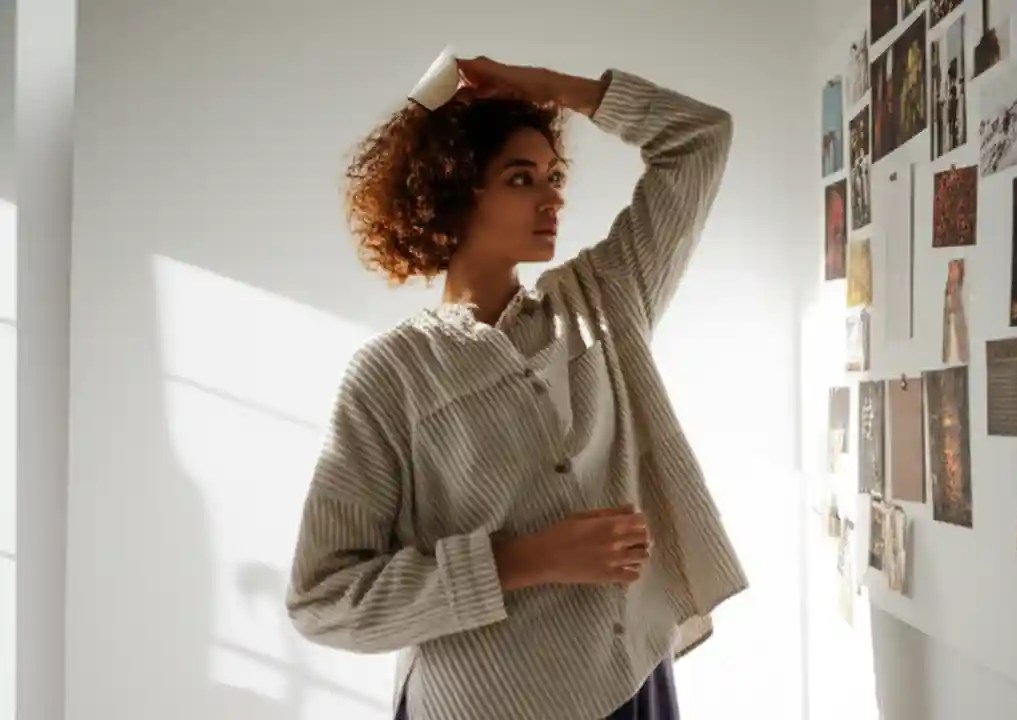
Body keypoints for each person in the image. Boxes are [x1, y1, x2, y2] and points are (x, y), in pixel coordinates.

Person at [284, 54, 748, 720]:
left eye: (555, 176)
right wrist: (522, 560)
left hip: (633, 684)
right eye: (521, 178)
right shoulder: (392, 375)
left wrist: (555, 90)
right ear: (453, 189)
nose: (553, 196)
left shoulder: (604, 300)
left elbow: (700, 139)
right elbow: (323, 597)